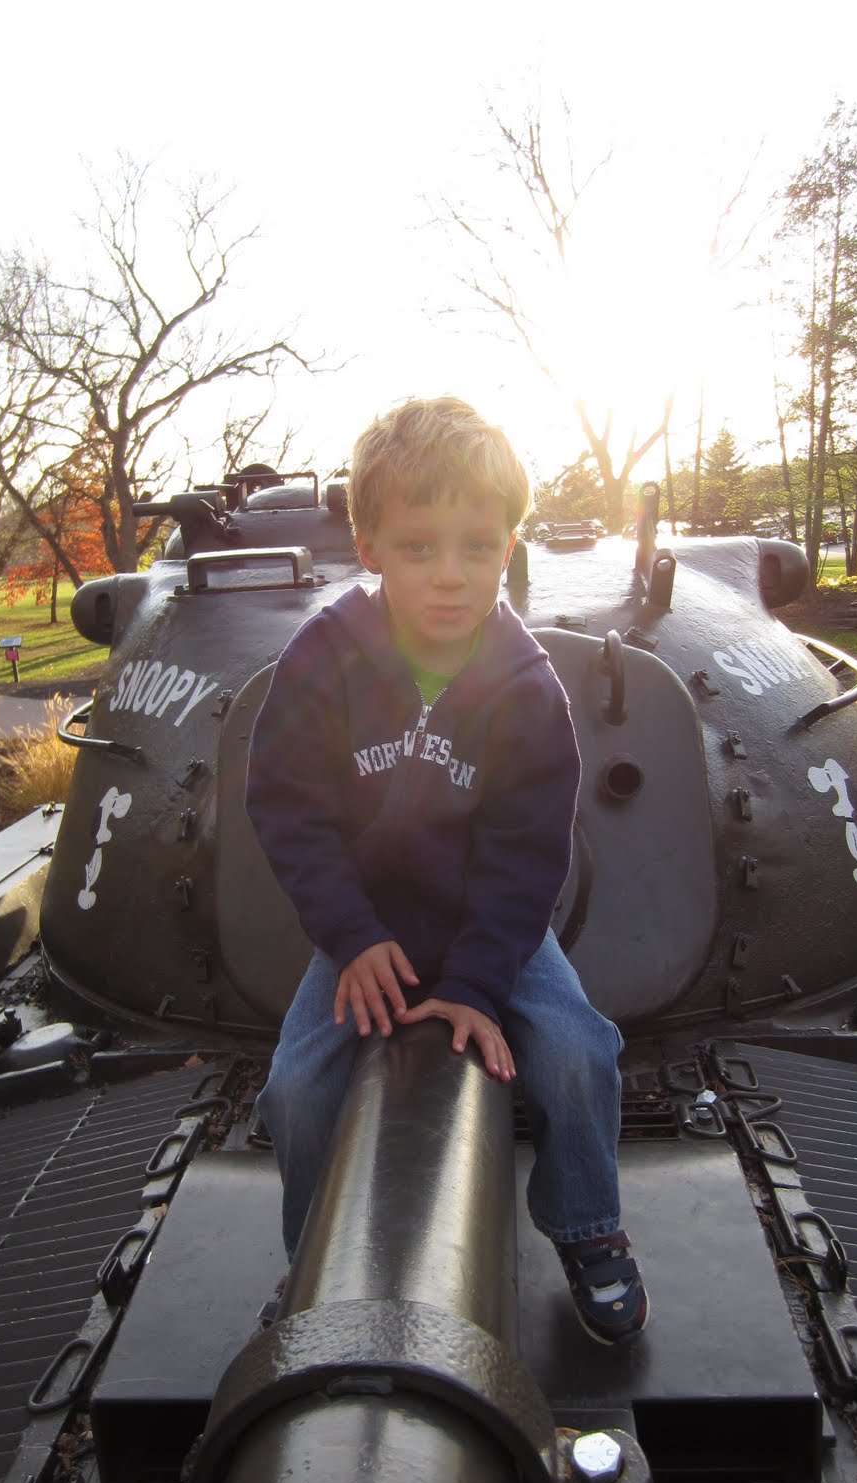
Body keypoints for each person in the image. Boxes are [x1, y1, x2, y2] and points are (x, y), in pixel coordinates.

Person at [246, 396, 647, 1344]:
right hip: (367, 932)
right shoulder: (324, 661)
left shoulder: (524, 687)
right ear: (370, 546)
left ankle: (589, 1226)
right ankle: (314, 1259)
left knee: (578, 1055)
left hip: (497, 932)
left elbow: (526, 855)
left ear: (510, 542)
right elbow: (289, 810)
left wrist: (477, 982)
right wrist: (351, 937)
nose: (452, 576)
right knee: (296, 1092)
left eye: (478, 545)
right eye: (419, 547)